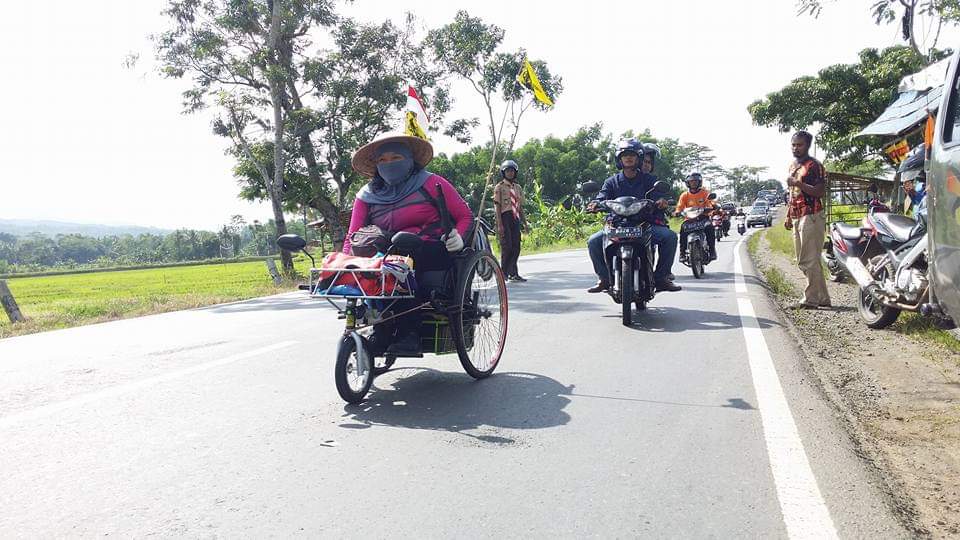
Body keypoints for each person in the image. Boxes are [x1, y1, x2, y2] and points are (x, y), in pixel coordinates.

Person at [345, 132, 474, 355]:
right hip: (385, 253)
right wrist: (345, 264)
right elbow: (353, 235)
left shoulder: (431, 183)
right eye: (382, 160)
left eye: (396, 158)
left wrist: (459, 237)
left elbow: (465, 216)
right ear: (376, 165)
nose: (389, 164)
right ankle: (381, 330)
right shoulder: (366, 196)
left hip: (430, 248)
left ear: (409, 160)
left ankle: (409, 332)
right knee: (377, 263)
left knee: (401, 258)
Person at [586, 138, 680, 293]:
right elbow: (602, 196)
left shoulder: (650, 180)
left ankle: (661, 277)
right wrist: (595, 204)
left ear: (639, 158)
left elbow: (657, 195)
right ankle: (604, 278)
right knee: (593, 241)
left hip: (644, 223)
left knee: (670, 237)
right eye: (625, 155)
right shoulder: (611, 182)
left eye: (632, 155)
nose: (628, 157)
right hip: (616, 224)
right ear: (619, 159)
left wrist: (661, 202)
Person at [784, 130, 831, 309]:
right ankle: (823, 298)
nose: (796, 148)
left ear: (807, 145)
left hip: (811, 215)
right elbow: (792, 194)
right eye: (793, 144)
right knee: (805, 260)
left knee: (808, 260)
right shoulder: (792, 166)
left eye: (799, 145)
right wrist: (789, 215)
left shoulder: (814, 166)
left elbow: (819, 192)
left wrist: (798, 183)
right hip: (797, 215)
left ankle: (811, 299)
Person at [493, 159, 527, 282]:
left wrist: (525, 223)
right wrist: (500, 224)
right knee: (507, 246)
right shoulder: (499, 187)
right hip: (505, 217)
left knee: (516, 246)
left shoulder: (517, 187)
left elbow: (520, 206)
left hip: (515, 217)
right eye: (508, 171)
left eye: (512, 171)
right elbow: (497, 206)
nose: (510, 173)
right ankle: (503, 273)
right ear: (504, 173)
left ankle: (514, 273)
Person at [675, 173, 717, 263]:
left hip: (703, 218)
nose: (693, 183)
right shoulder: (684, 195)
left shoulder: (705, 193)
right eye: (691, 181)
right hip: (689, 220)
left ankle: (712, 250)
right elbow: (680, 207)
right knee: (683, 230)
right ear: (688, 183)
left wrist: (713, 206)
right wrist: (678, 212)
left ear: (699, 182)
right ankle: (682, 253)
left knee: (709, 227)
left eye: (695, 181)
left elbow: (711, 202)